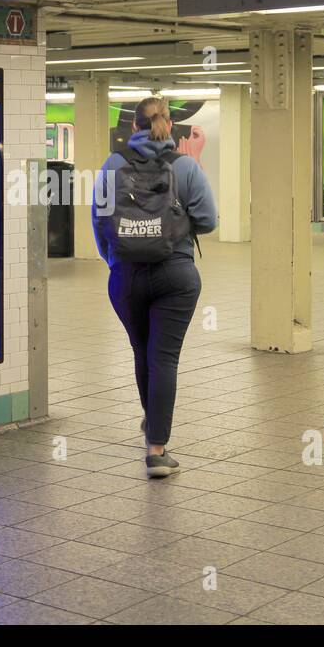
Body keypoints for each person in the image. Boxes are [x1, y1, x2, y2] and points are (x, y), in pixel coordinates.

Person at [92, 97, 218, 478]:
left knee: (142, 352)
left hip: (126, 275)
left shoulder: (112, 166)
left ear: (132, 127)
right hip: (175, 275)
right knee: (164, 358)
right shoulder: (185, 167)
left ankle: (153, 422)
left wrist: (114, 260)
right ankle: (157, 450)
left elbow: (100, 222)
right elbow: (209, 220)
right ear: (170, 126)